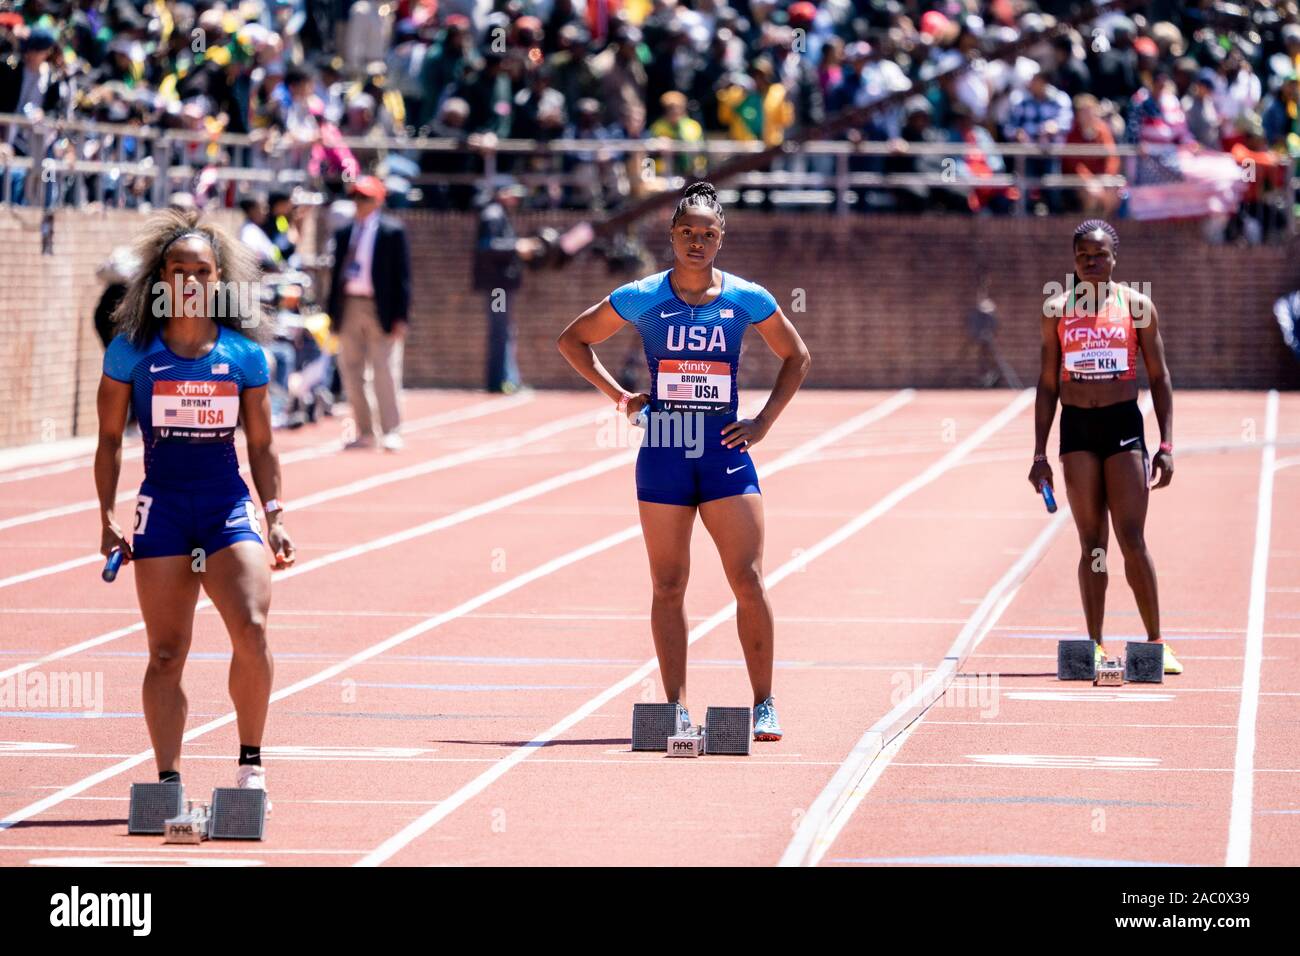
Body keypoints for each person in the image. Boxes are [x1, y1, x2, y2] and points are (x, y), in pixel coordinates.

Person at [556, 182, 812, 741]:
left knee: (746, 579)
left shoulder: (746, 298)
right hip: (665, 448)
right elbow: (573, 340)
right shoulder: (644, 295)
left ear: (721, 239)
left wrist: (764, 422)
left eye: (708, 234)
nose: (697, 242)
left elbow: (797, 355)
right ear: (672, 236)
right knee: (668, 583)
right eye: (688, 233)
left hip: (725, 450)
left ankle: (764, 703)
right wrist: (619, 397)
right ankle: (675, 706)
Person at [94, 207, 295, 806]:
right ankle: (167, 782)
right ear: (160, 279)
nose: (187, 280)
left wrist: (276, 514)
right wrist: (106, 517)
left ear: (217, 280)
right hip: (164, 512)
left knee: (252, 629)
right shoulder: (131, 354)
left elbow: (260, 444)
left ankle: (250, 767)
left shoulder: (245, 356)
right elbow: (107, 440)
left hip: (227, 507)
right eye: (176, 269)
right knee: (165, 652)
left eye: (200, 270)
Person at [1029, 220, 1181, 675]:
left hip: (1122, 428)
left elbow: (1159, 377)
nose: (1091, 262)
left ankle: (1157, 642)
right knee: (1091, 542)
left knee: (1131, 539)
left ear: (1115, 258)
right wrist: (1039, 454)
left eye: (1099, 255)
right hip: (1077, 429)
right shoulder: (1057, 310)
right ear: (1074, 260)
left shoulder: (1136, 308)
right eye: (1083, 256)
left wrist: (1167, 443)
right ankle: (1094, 644)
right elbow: (1046, 382)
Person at [326, 175, 412, 451]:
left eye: (364, 197)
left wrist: (401, 317)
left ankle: (391, 429)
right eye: (355, 197)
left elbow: (403, 277)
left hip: (380, 306)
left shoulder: (392, 232)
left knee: (384, 369)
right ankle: (364, 431)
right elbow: (335, 275)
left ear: (378, 200)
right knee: (351, 370)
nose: (358, 203)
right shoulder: (344, 232)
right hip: (349, 304)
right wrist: (332, 315)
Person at [473, 177, 544, 393]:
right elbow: (486, 246)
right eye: (512, 193)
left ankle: (506, 378)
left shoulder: (499, 213)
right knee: (500, 331)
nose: (516, 198)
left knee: (504, 331)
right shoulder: (493, 214)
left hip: (501, 285)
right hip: (497, 287)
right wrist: (517, 246)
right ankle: (500, 381)